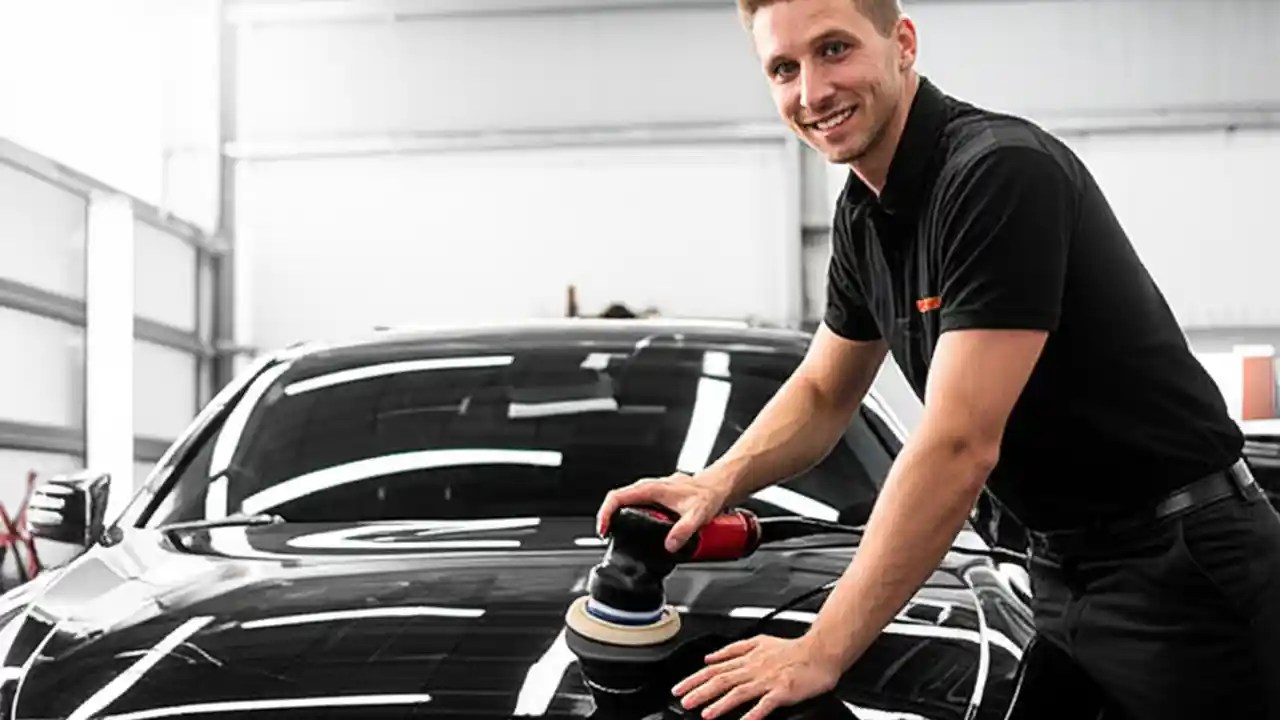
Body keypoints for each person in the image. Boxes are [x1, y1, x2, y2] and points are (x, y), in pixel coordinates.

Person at [594, 0, 1280, 718]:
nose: (812, 93)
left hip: (1182, 571)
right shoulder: (865, 213)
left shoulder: (999, 174)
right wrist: (714, 483)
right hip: (1062, 568)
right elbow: (828, 391)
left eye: (835, 50)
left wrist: (819, 650)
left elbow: (958, 445)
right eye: (784, 68)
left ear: (904, 44)